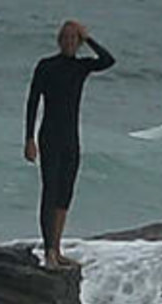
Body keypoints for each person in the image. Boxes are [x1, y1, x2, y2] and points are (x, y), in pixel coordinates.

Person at [24, 20, 115, 268]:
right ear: (59, 41)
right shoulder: (46, 66)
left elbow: (108, 61)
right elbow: (32, 102)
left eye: (74, 39)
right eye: (66, 38)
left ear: (79, 43)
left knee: (65, 193)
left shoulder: (80, 67)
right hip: (49, 137)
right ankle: (49, 252)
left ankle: (57, 249)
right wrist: (29, 139)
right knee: (50, 191)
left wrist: (89, 38)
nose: (69, 42)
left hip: (71, 138)